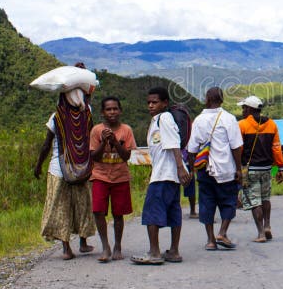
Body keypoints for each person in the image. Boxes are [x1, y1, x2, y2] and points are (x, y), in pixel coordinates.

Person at [33, 88, 96, 260]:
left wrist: (38, 165)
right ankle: (83, 243)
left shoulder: (56, 117)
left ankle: (66, 249)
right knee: (83, 205)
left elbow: (47, 144)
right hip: (82, 167)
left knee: (61, 208)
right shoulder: (87, 113)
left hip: (58, 169)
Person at [132, 87, 190, 265]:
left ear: (164, 103)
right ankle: (173, 251)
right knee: (173, 211)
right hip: (166, 174)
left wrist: (180, 168)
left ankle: (154, 252)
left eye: (155, 102)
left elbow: (173, 143)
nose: (151, 105)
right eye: (149, 102)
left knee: (152, 213)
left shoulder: (164, 118)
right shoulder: (156, 120)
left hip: (165, 175)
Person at [186, 87, 244, 250]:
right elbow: (236, 147)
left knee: (206, 204)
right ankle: (222, 232)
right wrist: (238, 169)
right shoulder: (229, 119)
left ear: (207, 99)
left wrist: (193, 169)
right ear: (222, 100)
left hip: (205, 169)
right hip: (226, 169)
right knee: (229, 201)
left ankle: (211, 240)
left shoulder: (198, 120)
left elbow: (192, 149)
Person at [89, 96, 137, 262]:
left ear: (120, 110)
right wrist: (103, 142)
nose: (112, 112)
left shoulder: (126, 130)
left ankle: (117, 245)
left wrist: (115, 142)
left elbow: (126, 156)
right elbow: (94, 156)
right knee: (98, 211)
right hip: (100, 176)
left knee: (118, 214)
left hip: (120, 177)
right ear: (103, 112)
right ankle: (105, 246)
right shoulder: (96, 130)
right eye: (108, 109)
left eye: (115, 108)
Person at [238, 95, 283, 243]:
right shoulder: (272, 124)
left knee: (254, 201)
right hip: (266, 169)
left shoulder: (242, 125)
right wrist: (281, 168)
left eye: (244, 108)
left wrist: (237, 168)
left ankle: (260, 234)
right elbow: (276, 148)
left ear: (251, 109)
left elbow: (238, 149)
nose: (242, 110)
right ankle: (267, 226)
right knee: (265, 198)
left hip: (250, 169)